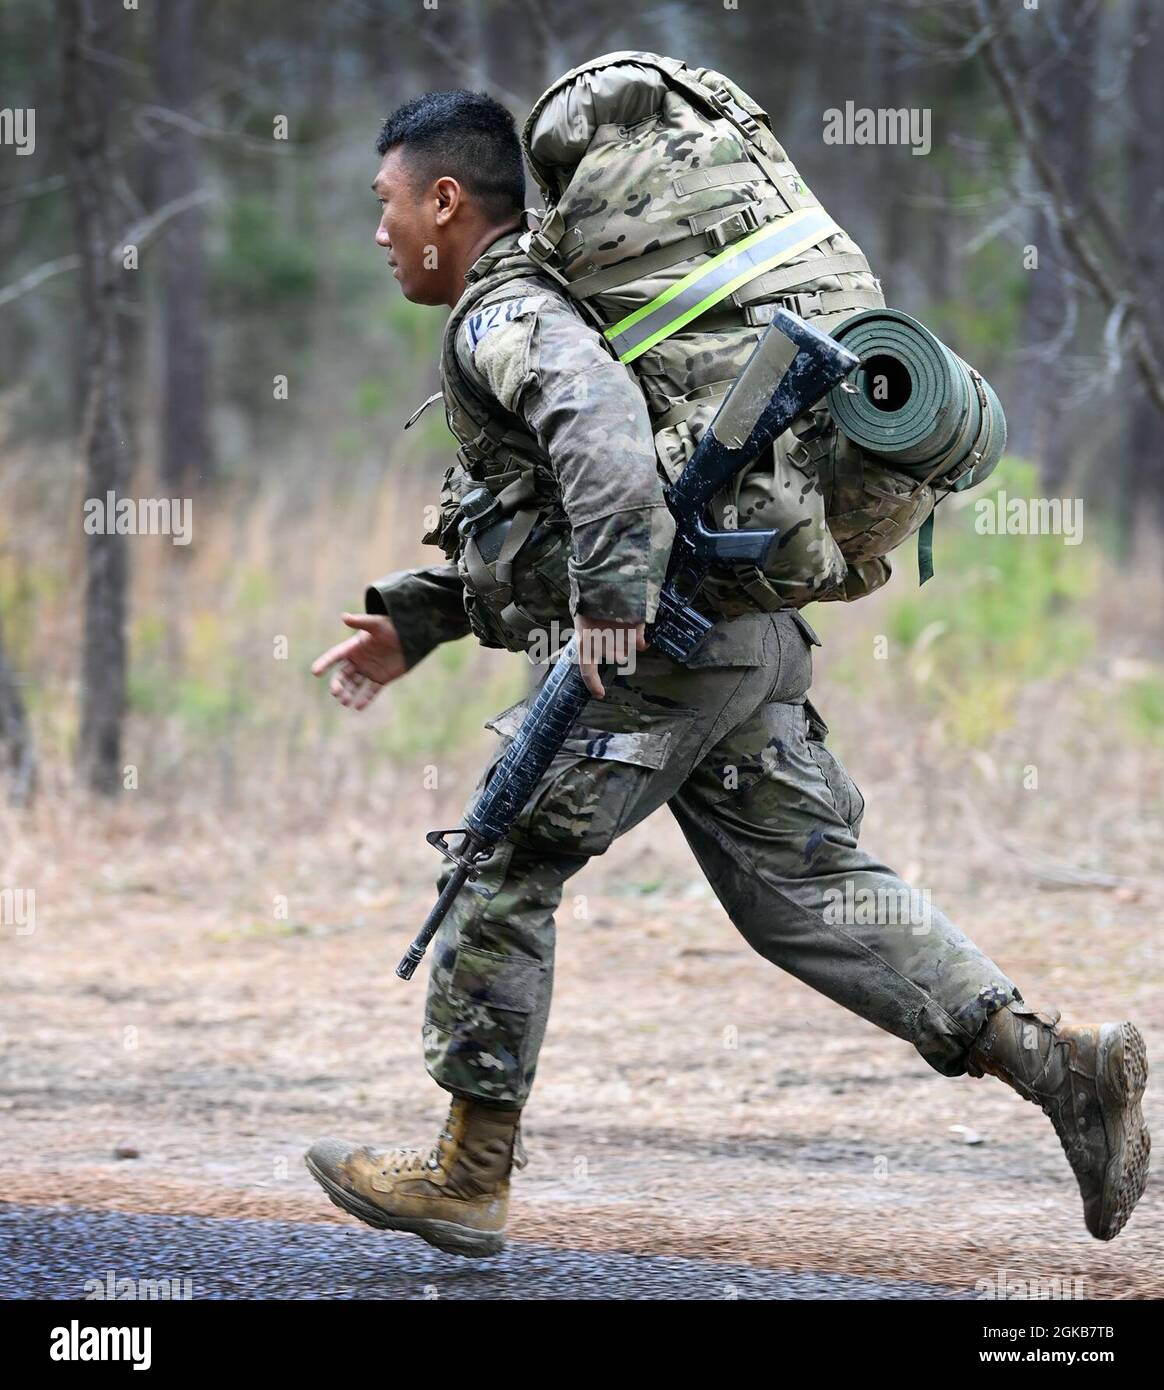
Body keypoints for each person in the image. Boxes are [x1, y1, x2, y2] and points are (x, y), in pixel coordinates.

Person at [304, 89, 1149, 1259]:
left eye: (386, 206)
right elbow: (537, 515)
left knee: (504, 860)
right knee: (807, 885)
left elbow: (600, 441)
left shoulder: (505, 314)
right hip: (737, 635)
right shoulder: (544, 307)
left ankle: (468, 1168)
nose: (379, 233)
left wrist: (608, 612)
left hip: (660, 647)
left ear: (446, 203)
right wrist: (420, 619)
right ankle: (1063, 1063)